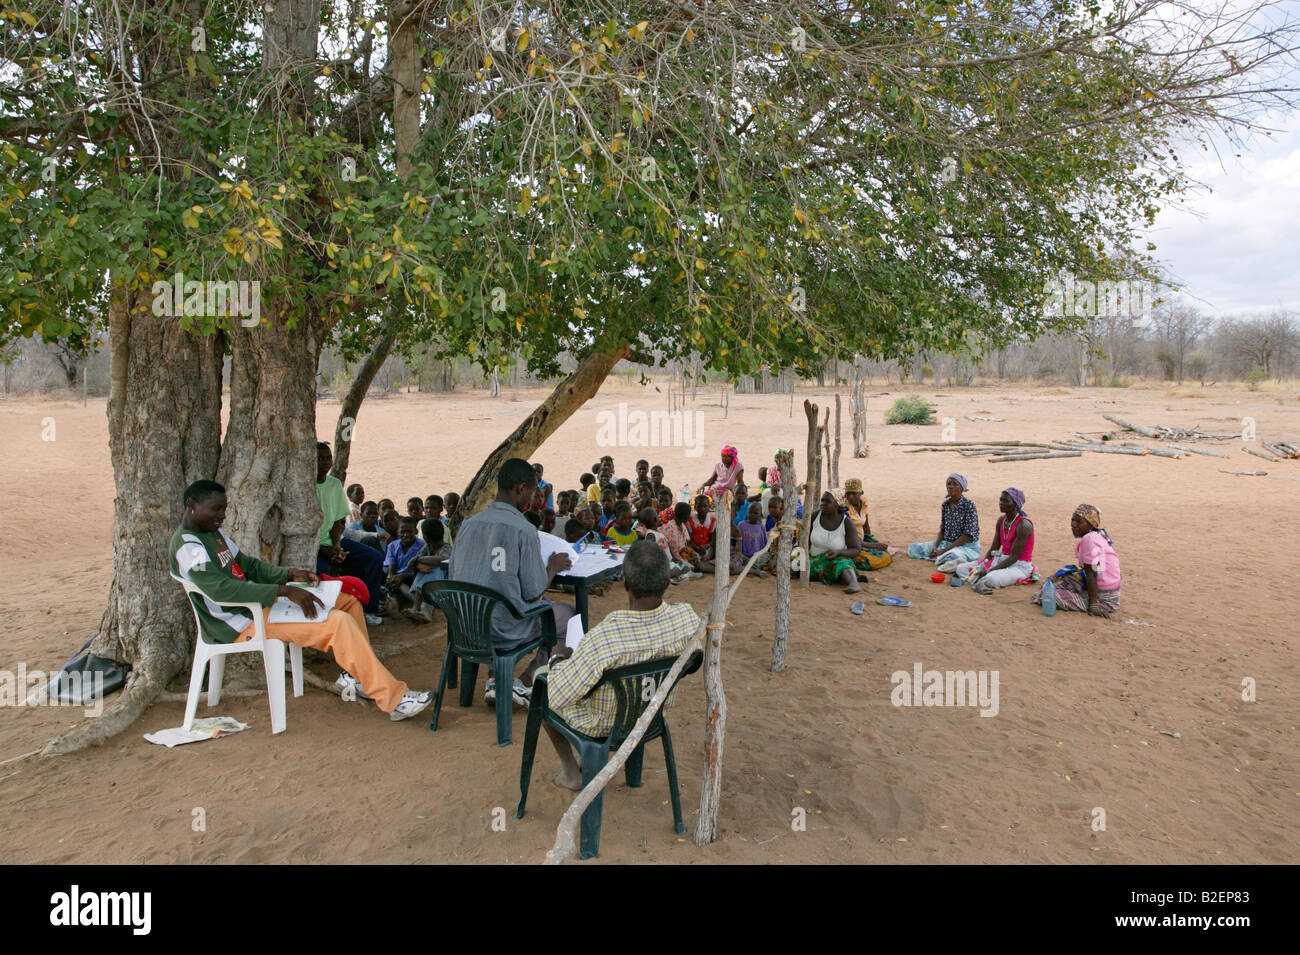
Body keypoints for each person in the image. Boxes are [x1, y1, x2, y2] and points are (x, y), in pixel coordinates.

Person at [170, 479, 433, 720]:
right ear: (191, 506)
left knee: (347, 602)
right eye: (216, 509)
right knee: (337, 622)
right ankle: (393, 698)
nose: (222, 515)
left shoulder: (213, 534)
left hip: (261, 606)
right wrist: (283, 591)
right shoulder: (189, 547)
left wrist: (289, 574)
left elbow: (249, 566)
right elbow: (221, 590)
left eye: (224, 509)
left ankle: (356, 678)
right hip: (242, 622)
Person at [533, 541, 700, 789]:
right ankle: (628, 776)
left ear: (625, 584)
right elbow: (694, 662)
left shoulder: (605, 638)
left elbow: (559, 694)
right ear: (667, 583)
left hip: (603, 724)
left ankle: (570, 771)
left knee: (541, 685)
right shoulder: (688, 619)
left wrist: (558, 658)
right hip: (652, 714)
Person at [450, 458, 578, 705]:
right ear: (521, 488)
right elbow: (532, 594)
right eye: (531, 491)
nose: (531, 498)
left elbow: (455, 573)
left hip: (466, 626)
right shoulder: (523, 529)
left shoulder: (468, 525)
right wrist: (551, 568)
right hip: (503, 629)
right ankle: (526, 680)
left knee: (498, 596)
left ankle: (495, 678)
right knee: (571, 618)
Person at [315, 442, 385, 625]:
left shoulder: (334, 484)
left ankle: (367, 610)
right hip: (312, 548)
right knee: (320, 576)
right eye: (319, 458)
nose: (324, 462)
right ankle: (326, 619)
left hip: (335, 541)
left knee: (373, 558)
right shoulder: (303, 487)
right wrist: (323, 549)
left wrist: (336, 545)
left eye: (328, 458)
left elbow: (339, 520)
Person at [1034, 504, 1121, 616]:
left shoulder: (1089, 539)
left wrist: (1093, 605)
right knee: (1056, 583)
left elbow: (1091, 574)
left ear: (1090, 525)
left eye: (1079, 522)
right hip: (1108, 586)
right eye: (1073, 520)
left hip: (1105, 595)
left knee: (1048, 596)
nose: (1073, 525)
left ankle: (1096, 603)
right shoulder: (1096, 536)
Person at [957, 488, 1034, 594]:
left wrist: (988, 570)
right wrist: (983, 564)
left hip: (1018, 566)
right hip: (1001, 559)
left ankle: (980, 579)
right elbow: (994, 549)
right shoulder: (1001, 520)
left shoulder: (1023, 525)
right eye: (1001, 500)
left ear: (1016, 504)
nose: (1001, 503)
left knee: (991, 578)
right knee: (961, 569)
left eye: (1006, 501)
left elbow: (1014, 557)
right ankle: (979, 580)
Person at [908, 474, 981, 574]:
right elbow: (942, 529)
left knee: (952, 556)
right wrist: (935, 546)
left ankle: (950, 559)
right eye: (949, 484)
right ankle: (945, 559)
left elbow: (967, 536)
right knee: (914, 549)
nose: (951, 486)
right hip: (947, 544)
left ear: (962, 488)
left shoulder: (969, 505)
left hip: (966, 547)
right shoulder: (945, 505)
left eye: (955, 484)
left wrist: (943, 550)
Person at [808, 490, 867, 593]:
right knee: (799, 563)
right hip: (814, 561)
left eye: (827, 501)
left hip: (834, 561)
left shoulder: (846, 523)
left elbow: (856, 549)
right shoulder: (814, 517)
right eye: (822, 500)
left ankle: (854, 583)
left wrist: (839, 552)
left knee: (843, 562)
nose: (823, 504)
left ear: (837, 504)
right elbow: (804, 540)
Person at [406, 518, 453, 623]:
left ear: (426, 538)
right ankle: (418, 609)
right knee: (423, 570)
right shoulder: (427, 548)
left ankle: (417, 608)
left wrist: (418, 560)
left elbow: (442, 559)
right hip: (429, 588)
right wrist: (418, 566)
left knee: (434, 569)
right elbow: (411, 565)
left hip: (443, 588)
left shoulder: (447, 548)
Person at [842, 478, 893, 571]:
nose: (850, 497)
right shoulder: (844, 509)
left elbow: (865, 522)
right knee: (871, 560)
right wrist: (874, 545)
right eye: (848, 494)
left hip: (861, 540)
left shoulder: (863, 502)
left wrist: (869, 538)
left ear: (861, 493)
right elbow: (849, 539)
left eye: (854, 493)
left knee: (885, 553)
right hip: (851, 544)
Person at [383, 516, 427, 615]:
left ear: (415, 531)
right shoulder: (392, 546)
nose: (406, 535)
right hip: (397, 580)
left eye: (409, 531)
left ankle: (414, 603)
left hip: (413, 578)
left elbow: (420, 570)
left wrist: (401, 577)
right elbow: (391, 568)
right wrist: (391, 577)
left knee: (404, 584)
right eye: (402, 532)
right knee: (388, 577)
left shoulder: (422, 546)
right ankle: (400, 604)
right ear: (398, 532)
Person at [738, 501, 772, 578]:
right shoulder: (741, 525)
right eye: (750, 512)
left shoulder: (761, 527)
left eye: (755, 513)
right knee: (741, 559)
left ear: (760, 514)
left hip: (757, 556)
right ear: (747, 512)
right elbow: (738, 541)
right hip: (744, 555)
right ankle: (753, 568)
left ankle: (751, 567)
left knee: (766, 557)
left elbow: (765, 543)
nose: (752, 515)